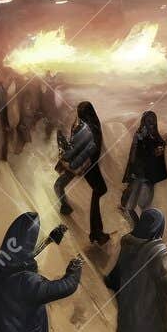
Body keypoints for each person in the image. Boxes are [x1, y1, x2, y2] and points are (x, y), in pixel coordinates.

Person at [56, 100, 110, 245]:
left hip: (90, 165)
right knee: (99, 191)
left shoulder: (86, 127)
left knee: (99, 191)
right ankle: (96, 233)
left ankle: (96, 233)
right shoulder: (88, 128)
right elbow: (82, 149)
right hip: (90, 166)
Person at [121, 110, 167, 218]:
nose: (151, 124)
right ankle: (130, 211)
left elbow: (165, 143)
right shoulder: (140, 135)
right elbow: (137, 154)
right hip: (140, 171)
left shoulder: (154, 134)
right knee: (134, 196)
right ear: (144, 122)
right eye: (149, 122)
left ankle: (139, 215)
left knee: (145, 200)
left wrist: (164, 143)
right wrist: (154, 152)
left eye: (153, 122)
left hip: (149, 174)